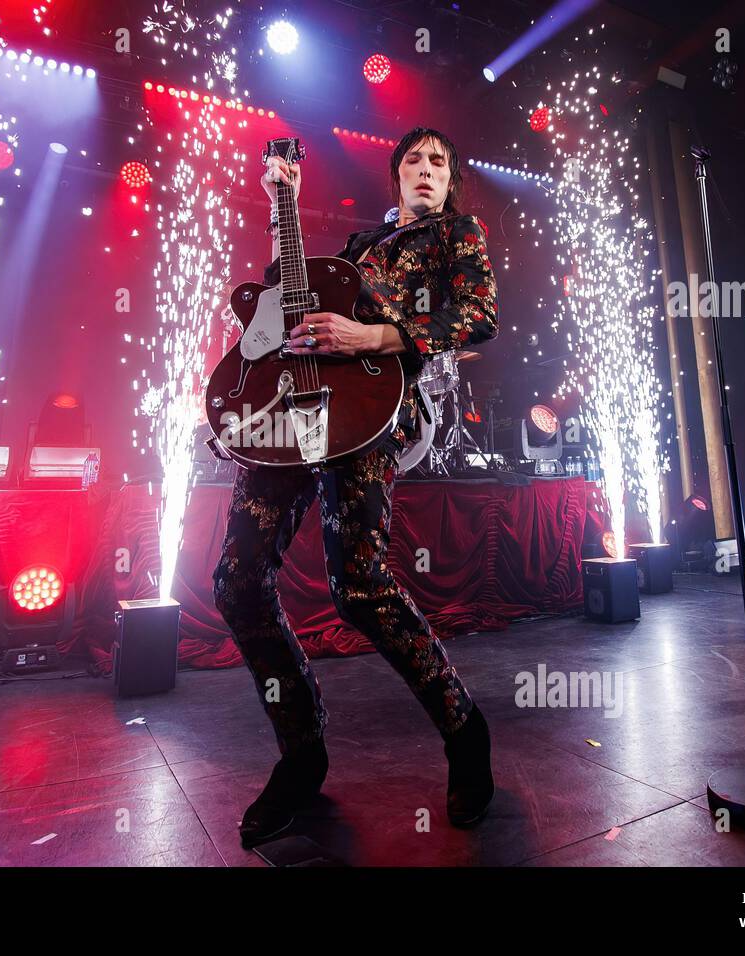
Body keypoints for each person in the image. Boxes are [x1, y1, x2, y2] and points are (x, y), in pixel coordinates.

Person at [212, 127, 499, 846]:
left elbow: (478, 316)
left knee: (359, 588)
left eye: (439, 160)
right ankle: (300, 749)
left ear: (451, 177)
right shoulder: (359, 246)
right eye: (413, 160)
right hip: (296, 407)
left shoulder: (455, 236)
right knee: (236, 581)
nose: (425, 169)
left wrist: (370, 337)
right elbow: (296, 306)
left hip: (377, 407)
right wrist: (287, 207)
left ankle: (465, 730)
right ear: (396, 176)